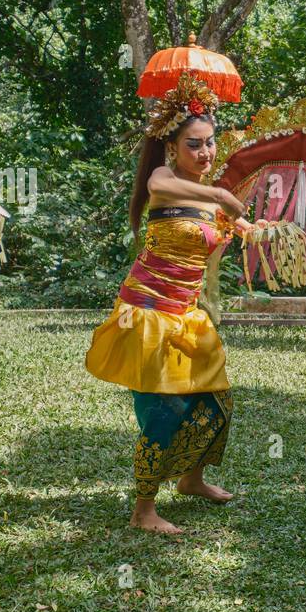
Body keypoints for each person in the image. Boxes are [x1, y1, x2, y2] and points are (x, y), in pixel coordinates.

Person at [85, 73, 248, 535]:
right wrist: (221, 194)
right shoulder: (164, 179)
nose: (205, 153)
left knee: (215, 401)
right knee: (164, 411)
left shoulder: (206, 201)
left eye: (210, 143)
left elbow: (224, 232)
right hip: (147, 314)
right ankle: (144, 509)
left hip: (187, 314)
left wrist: (252, 228)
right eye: (194, 144)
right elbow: (160, 187)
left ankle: (191, 478)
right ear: (172, 147)